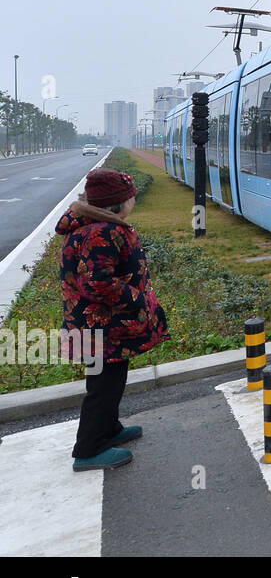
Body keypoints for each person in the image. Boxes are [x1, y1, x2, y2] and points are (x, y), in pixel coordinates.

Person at [56, 170, 170, 471]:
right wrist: (139, 298)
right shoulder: (102, 233)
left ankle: (109, 430)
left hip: (101, 328)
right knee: (103, 386)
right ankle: (88, 449)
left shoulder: (99, 227)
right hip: (100, 329)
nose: (133, 200)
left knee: (110, 381)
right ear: (115, 205)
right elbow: (98, 283)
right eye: (130, 197)